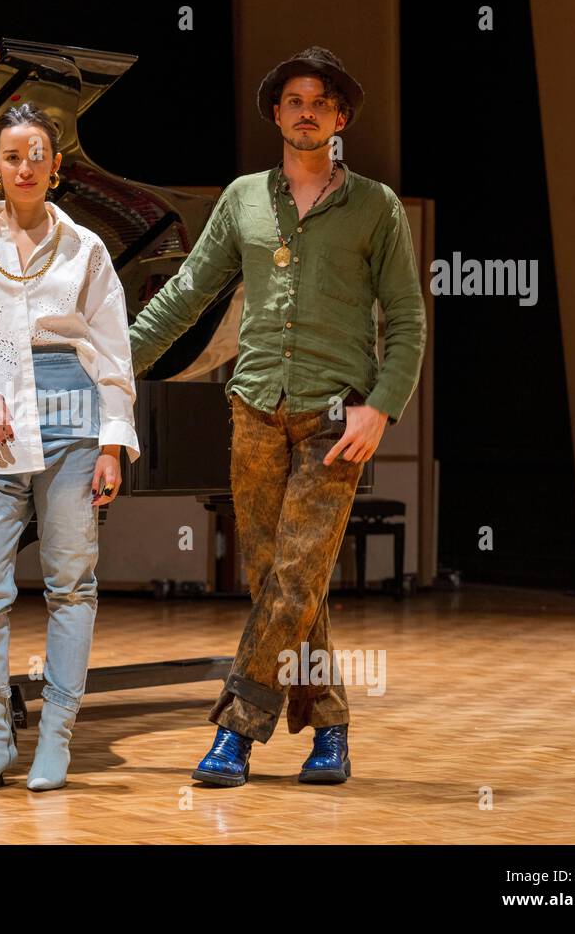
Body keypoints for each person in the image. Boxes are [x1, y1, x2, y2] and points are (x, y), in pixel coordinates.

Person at [128, 46, 426, 786]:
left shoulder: (376, 206)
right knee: (281, 582)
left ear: (339, 117)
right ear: (276, 115)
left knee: (294, 574)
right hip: (256, 409)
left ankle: (238, 730)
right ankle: (329, 727)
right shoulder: (243, 199)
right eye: (293, 100)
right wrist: (115, 360)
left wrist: (381, 409)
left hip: (337, 420)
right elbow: (188, 294)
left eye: (319, 101)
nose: (305, 111)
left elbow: (410, 320)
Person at [0, 103, 141, 792]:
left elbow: (111, 351)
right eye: (11, 156)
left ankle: (57, 739)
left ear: (56, 166)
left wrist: (113, 442)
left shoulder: (86, 249)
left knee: (72, 584)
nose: (24, 167)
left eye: (35, 156)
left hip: (74, 420)